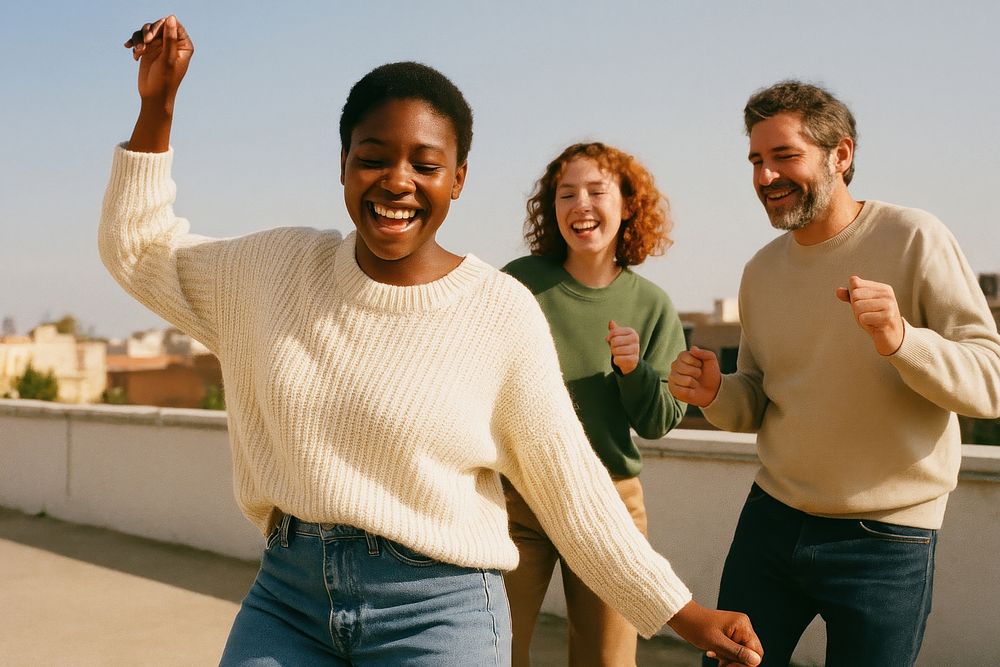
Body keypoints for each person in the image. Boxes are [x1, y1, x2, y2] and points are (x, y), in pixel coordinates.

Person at [102, 16, 763, 667]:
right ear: (342, 166)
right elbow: (138, 250)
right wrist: (157, 106)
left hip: (439, 609)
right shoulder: (271, 270)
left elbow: (573, 489)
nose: (397, 180)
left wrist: (681, 611)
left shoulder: (498, 311)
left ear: (458, 179)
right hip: (288, 598)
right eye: (373, 159)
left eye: (425, 164)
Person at [668, 80, 1000, 666]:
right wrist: (717, 392)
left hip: (887, 543)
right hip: (770, 522)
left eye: (784, 156)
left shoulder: (915, 237)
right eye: (756, 161)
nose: (765, 177)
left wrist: (901, 341)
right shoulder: (761, 271)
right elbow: (757, 401)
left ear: (840, 155)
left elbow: (989, 382)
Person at [502, 142, 687, 667]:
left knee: (607, 660)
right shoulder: (517, 283)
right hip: (519, 495)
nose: (580, 204)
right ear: (551, 209)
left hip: (609, 500)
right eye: (566, 194)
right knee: (491, 649)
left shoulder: (651, 305)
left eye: (596, 191)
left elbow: (657, 421)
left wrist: (635, 372)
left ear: (627, 205)